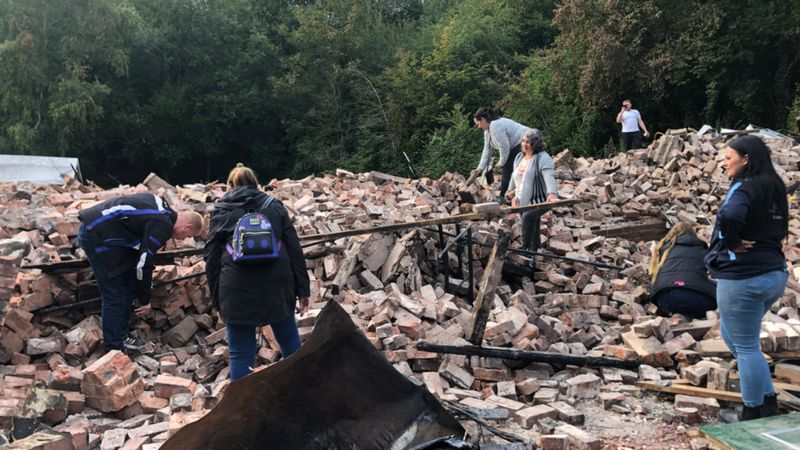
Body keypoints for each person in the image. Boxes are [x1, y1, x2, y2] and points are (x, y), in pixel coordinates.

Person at [704, 135, 789, 420]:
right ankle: (768, 400)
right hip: (774, 274)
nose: (723, 163)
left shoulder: (743, 186)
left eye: (728, 158)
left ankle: (751, 412)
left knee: (745, 346)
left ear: (746, 159)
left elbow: (730, 216)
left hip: (743, 276)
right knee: (734, 336)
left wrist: (731, 242)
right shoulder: (774, 185)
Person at [204, 164, 310, 381]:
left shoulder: (221, 211)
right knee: (289, 342)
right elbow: (294, 250)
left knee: (241, 353)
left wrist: (217, 300)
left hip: (235, 287)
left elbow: (211, 259)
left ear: (230, 185)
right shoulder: (275, 206)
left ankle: (243, 401)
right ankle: (302, 391)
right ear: (256, 183)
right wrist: (303, 290)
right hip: (278, 285)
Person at [77, 193, 203, 352]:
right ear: (187, 227)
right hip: (95, 234)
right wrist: (145, 300)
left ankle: (122, 336)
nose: (183, 240)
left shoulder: (163, 209)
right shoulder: (162, 226)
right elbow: (144, 263)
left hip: (107, 233)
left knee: (127, 286)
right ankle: (113, 348)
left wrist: (139, 290)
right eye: (187, 236)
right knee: (115, 293)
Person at [648, 222, 716, 319]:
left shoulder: (663, 249)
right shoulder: (702, 249)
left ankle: (680, 316)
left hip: (664, 298)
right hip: (696, 298)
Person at [507, 129, 558, 252]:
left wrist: (552, 193)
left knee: (528, 217)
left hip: (541, 199)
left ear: (536, 144)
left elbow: (549, 175)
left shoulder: (542, 157)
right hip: (521, 199)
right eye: (523, 141)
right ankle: (535, 250)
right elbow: (515, 175)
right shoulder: (519, 157)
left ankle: (525, 248)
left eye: (528, 142)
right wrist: (510, 191)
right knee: (532, 223)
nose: (524, 144)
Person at [470, 107, 532, 202]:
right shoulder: (487, 131)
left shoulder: (495, 126)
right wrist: (480, 167)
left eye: (478, 124)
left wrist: (501, 163)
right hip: (517, 145)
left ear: (482, 120)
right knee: (512, 169)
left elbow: (504, 147)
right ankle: (511, 194)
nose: (478, 127)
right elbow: (487, 149)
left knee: (507, 169)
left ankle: (504, 197)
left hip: (526, 141)